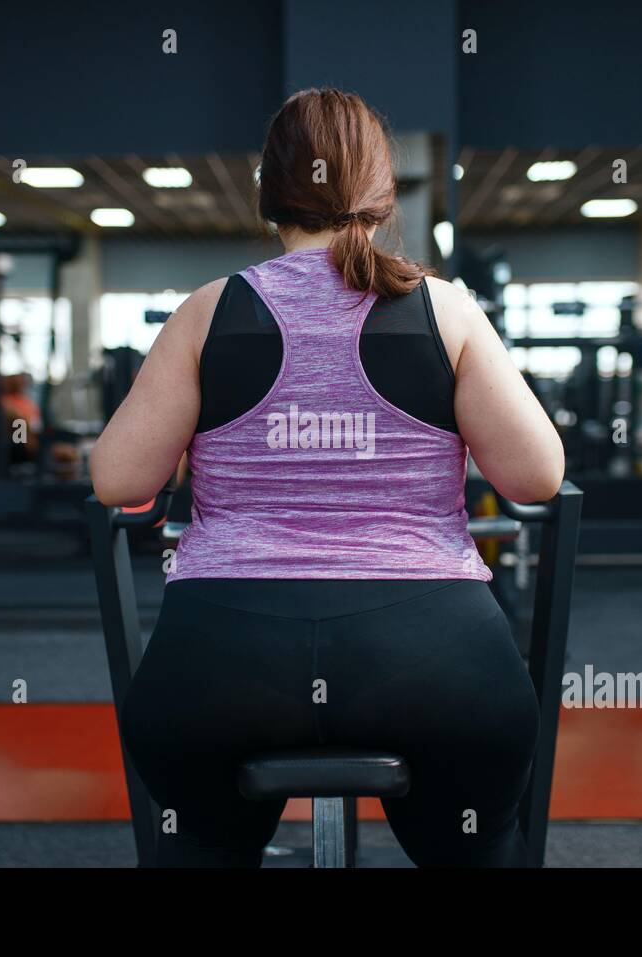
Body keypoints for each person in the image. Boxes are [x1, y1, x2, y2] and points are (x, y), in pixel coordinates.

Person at [90, 88, 564, 867]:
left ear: (266, 194)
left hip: (224, 671)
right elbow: (538, 476)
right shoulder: (445, 310)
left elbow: (118, 480)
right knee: (477, 851)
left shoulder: (209, 311)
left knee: (201, 846)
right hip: (435, 669)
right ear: (383, 197)